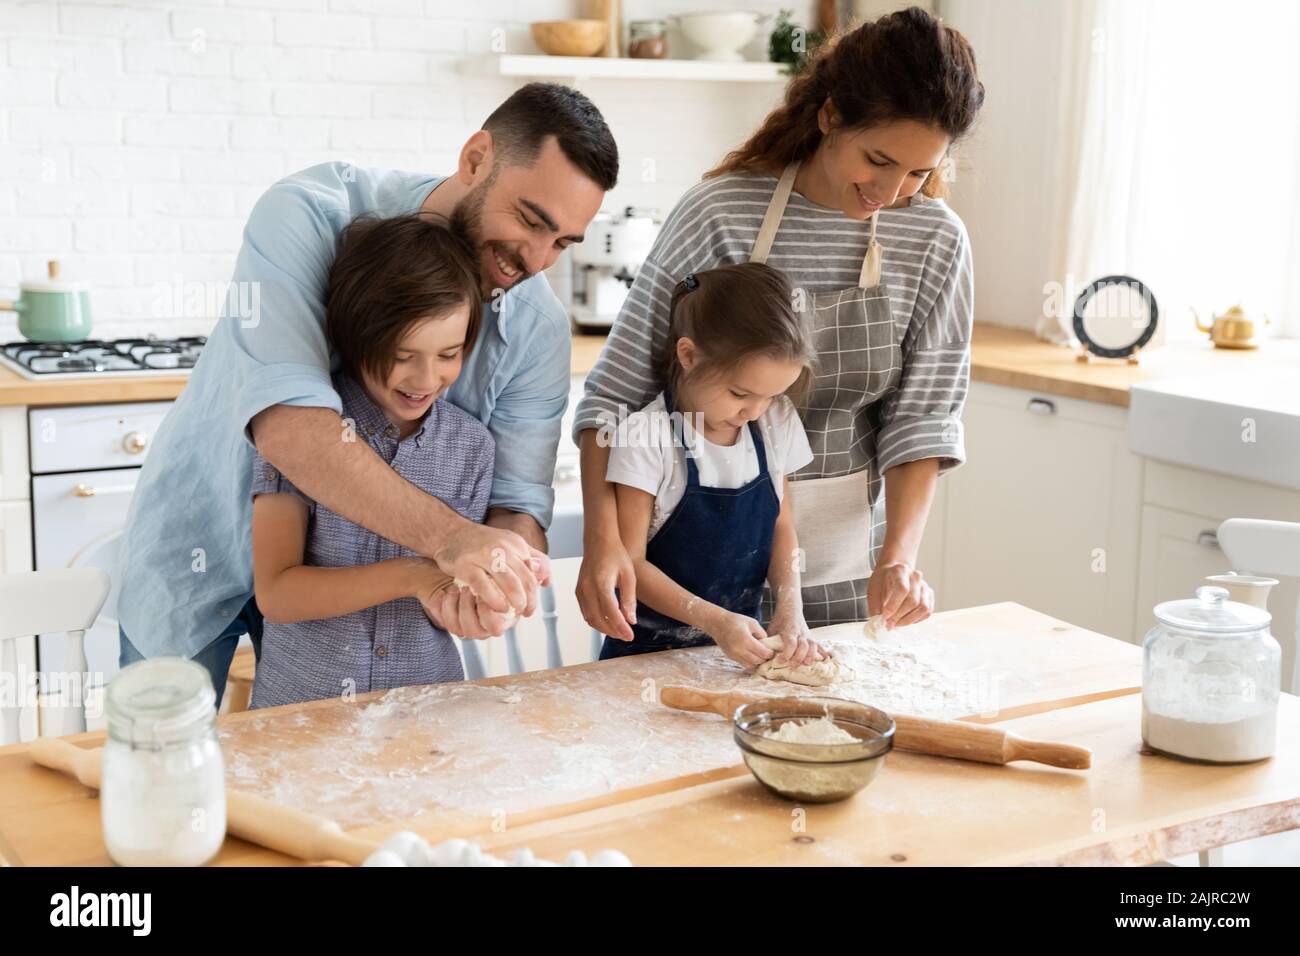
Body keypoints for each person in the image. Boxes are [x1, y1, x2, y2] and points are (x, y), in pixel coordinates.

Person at [117, 83, 618, 706]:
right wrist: (450, 544)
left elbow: (514, 510)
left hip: (369, 619)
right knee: (158, 773)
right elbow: (294, 432)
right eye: (530, 221)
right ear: (476, 158)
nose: (538, 260)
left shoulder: (537, 327)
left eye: (564, 242)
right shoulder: (306, 213)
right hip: (201, 540)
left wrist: (494, 586)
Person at [573, 8, 985, 642]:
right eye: (877, 159)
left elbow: (922, 419)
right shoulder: (721, 212)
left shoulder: (934, 238)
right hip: (692, 582)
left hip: (850, 573)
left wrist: (897, 559)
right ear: (829, 115)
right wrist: (605, 543)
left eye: (919, 172)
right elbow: (613, 400)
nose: (890, 189)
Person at [249, 216, 495, 708]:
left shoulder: (473, 448)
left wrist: (477, 608)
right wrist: (413, 576)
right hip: (302, 712)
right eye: (403, 355)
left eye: (449, 354)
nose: (426, 378)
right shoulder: (304, 434)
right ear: (356, 337)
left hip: (427, 709)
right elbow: (277, 593)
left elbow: (455, 596)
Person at [600, 263, 824, 670]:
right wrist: (716, 621)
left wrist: (791, 609)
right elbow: (630, 563)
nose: (754, 411)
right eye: (740, 393)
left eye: (772, 396)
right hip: (644, 659)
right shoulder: (647, 437)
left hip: (737, 656)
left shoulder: (776, 422)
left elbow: (781, 526)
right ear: (688, 355)